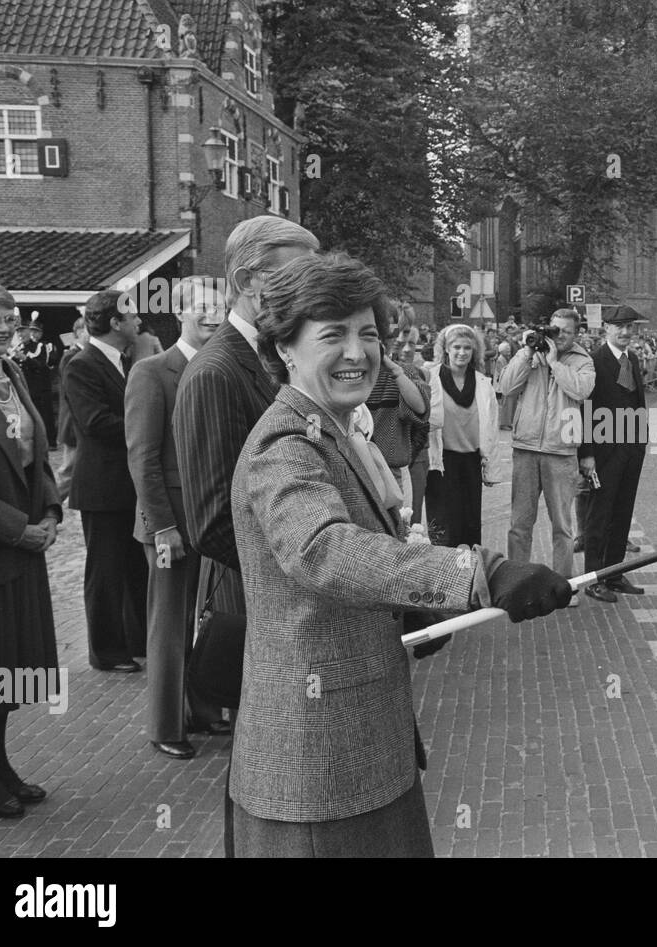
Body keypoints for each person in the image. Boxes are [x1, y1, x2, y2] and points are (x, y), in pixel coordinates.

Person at [230, 252, 571, 856]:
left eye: (369, 334)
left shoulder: (331, 426)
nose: (358, 353)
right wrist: (481, 572)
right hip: (319, 763)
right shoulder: (285, 443)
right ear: (284, 348)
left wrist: (415, 608)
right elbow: (324, 551)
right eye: (332, 335)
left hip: (363, 744)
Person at [172, 214, 320, 858]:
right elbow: (209, 519)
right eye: (296, 277)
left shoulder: (266, 357)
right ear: (248, 282)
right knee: (268, 753)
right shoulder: (215, 373)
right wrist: (304, 562)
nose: (308, 292)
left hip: (279, 592)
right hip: (259, 595)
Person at [0, 276, 61, 820]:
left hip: (24, 541)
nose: (6, 329)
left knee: (11, 664)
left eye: (12, 318)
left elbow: (40, 455)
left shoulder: (16, 374)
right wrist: (14, 528)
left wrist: (48, 511)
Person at [125, 276, 227, 761]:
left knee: (207, 618)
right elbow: (142, 456)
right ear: (180, 312)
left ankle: (204, 710)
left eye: (219, 307)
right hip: (170, 523)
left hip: (212, 519)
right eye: (202, 307)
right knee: (169, 623)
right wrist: (164, 527)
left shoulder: (219, 369)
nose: (212, 314)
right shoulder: (151, 371)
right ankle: (165, 725)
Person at [64, 288, 148, 671]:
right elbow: (95, 422)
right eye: (131, 316)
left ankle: (136, 640)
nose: (139, 321)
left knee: (134, 567)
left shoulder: (123, 362)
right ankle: (106, 651)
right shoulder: (82, 364)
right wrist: (149, 427)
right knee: (106, 572)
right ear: (115, 323)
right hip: (102, 488)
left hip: (126, 487)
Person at [499, 308, 595, 580]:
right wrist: (526, 353)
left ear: (576, 334)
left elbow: (581, 390)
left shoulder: (582, 360)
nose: (559, 335)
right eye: (555, 329)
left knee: (562, 526)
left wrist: (554, 363)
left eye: (565, 331)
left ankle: (563, 584)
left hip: (562, 452)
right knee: (519, 524)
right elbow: (506, 387)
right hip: (526, 448)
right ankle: (517, 581)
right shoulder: (531, 353)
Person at [581, 305, 649, 603]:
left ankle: (615, 573)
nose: (624, 332)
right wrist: (586, 453)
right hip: (603, 449)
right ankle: (594, 578)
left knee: (623, 512)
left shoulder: (632, 359)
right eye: (618, 326)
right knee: (600, 514)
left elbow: (637, 402)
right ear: (605, 328)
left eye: (629, 327)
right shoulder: (594, 361)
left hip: (631, 447)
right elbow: (584, 409)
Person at [427, 324, 503, 548]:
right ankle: (444, 575)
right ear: (446, 349)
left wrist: (491, 468)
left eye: (467, 348)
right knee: (443, 526)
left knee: (470, 526)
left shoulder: (482, 383)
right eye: (456, 347)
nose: (462, 352)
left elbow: (492, 427)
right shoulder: (431, 379)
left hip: (470, 461)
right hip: (441, 462)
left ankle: (469, 575)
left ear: (474, 351)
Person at [365, 299, 431, 524]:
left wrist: (394, 370)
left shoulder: (403, 373)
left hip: (392, 470)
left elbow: (420, 407)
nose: (397, 342)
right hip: (359, 469)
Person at [54, 318, 86, 501]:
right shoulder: (71, 356)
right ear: (79, 332)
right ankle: (48, 509)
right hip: (73, 423)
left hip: (76, 423)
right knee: (68, 472)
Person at [10, 318, 58, 437]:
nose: (20, 334)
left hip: (39, 390)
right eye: (18, 331)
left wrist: (25, 359)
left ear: (29, 331)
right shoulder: (19, 348)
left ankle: (49, 441)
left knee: (44, 416)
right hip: (25, 389)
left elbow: (43, 367)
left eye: (23, 330)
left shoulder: (40, 346)